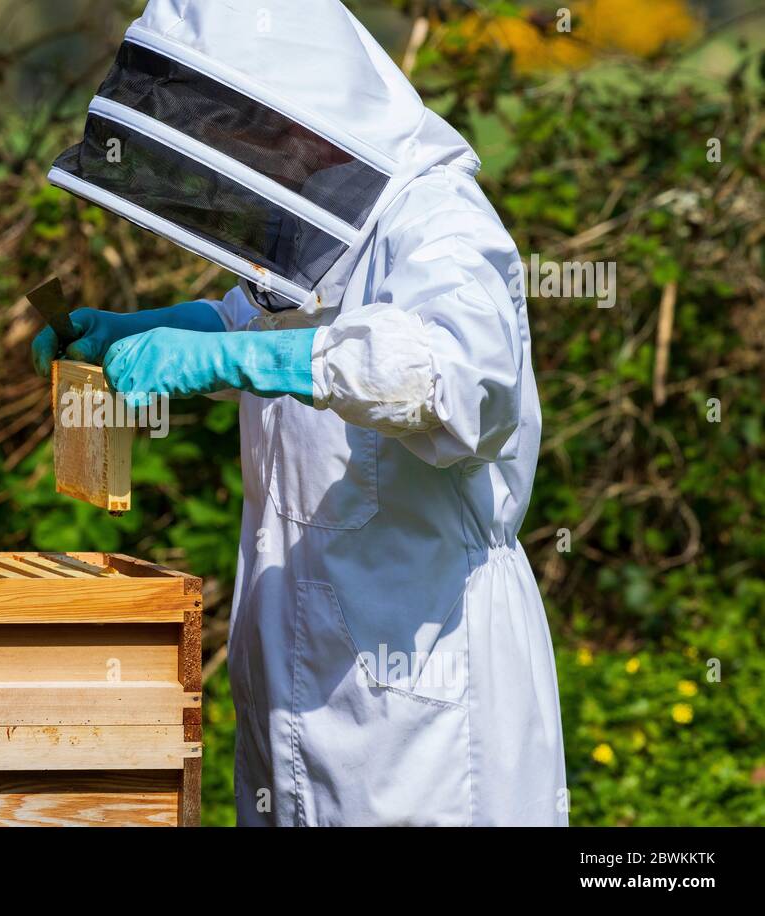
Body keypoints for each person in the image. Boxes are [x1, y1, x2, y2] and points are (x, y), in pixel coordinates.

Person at [32, 0, 567, 826]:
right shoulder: (329, 224)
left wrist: (231, 357)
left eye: (248, 133)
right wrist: (157, 329)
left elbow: (457, 381)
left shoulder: (440, 225)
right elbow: (274, 324)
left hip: (421, 674)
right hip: (300, 661)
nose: (244, 157)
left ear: (307, 114)